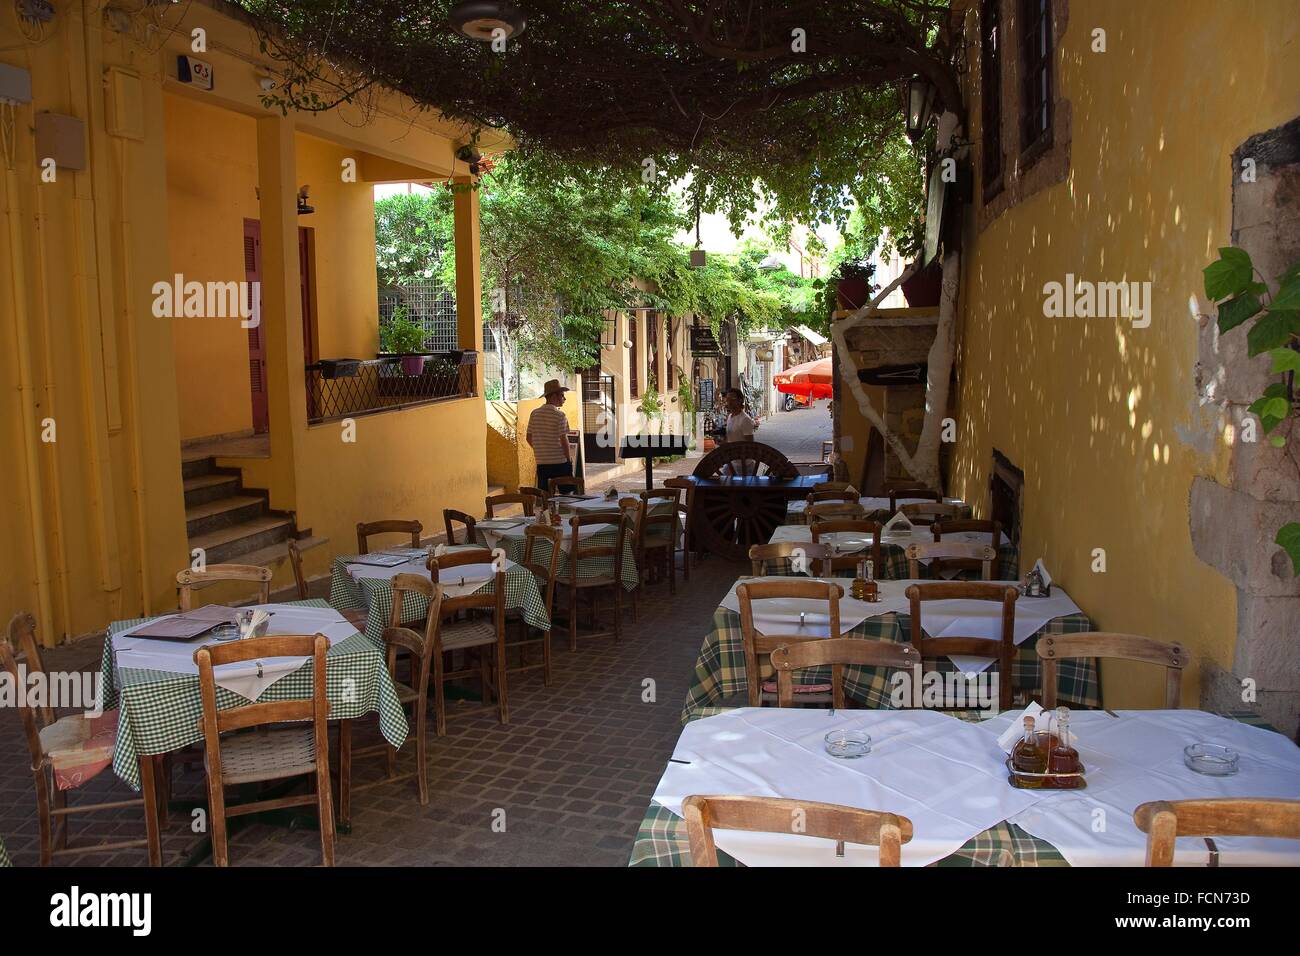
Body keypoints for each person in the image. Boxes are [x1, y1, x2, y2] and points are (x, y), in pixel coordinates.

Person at [526, 379, 573, 490]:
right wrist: (568, 459)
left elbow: (528, 438)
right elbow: (564, 440)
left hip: (542, 463)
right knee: (567, 495)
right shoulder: (560, 415)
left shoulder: (534, 414)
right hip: (560, 462)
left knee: (545, 496)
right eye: (562, 395)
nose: (564, 398)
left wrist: (541, 450)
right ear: (553, 397)